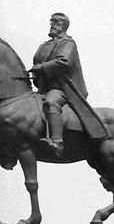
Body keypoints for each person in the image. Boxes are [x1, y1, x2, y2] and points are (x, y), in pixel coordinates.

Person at [29, 13, 107, 157]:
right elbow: (37, 62)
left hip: (61, 88)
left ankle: (57, 141)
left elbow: (64, 62)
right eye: (51, 22)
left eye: (54, 23)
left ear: (62, 26)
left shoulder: (68, 43)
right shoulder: (44, 45)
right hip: (43, 88)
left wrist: (41, 67)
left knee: (51, 103)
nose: (51, 25)